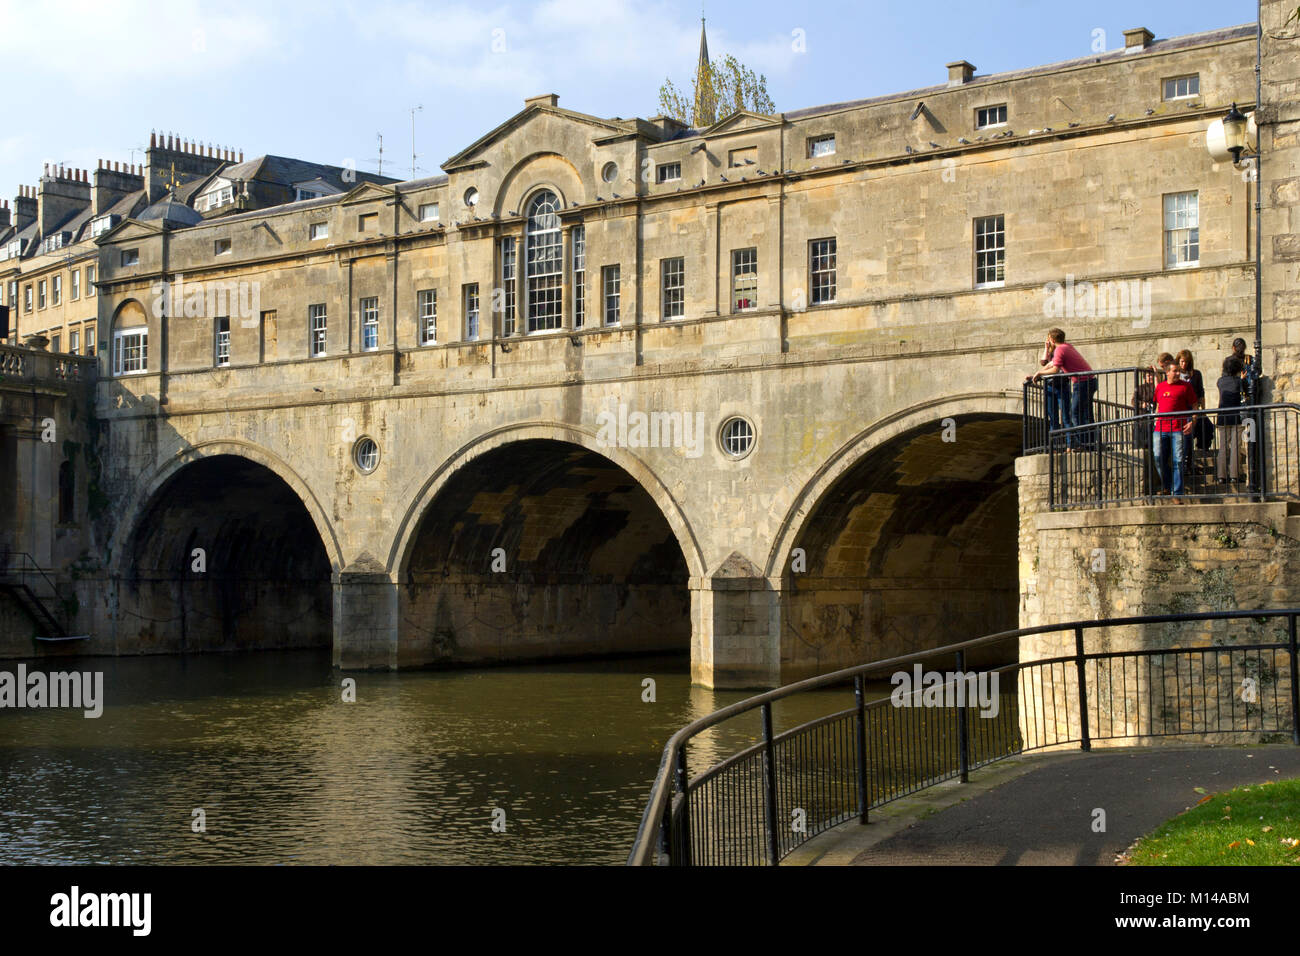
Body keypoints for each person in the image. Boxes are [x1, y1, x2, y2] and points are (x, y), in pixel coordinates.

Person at [1027, 329, 1093, 449]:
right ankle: (1071, 445)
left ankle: (1080, 444)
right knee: (1067, 416)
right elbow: (1048, 364)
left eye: (1048, 339)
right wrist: (1037, 374)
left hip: (1077, 383)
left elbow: (1055, 369)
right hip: (1082, 381)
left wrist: (1040, 373)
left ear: (1051, 339)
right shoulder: (1065, 347)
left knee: (1073, 415)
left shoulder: (1060, 349)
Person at [1152, 360, 1197, 500]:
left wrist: (1192, 422)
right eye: (1175, 371)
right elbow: (1158, 405)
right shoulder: (1160, 387)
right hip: (1160, 428)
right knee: (1158, 458)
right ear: (1167, 372)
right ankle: (1167, 485)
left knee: (1178, 460)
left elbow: (1195, 406)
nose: (1178, 373)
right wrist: (1155, 419)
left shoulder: (1186, 387)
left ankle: (1176, 493)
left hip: (1179, 428)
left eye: (1178, 371)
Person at [1216, 355, 1247, 486]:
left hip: (1222, 416)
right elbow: (1244, 392)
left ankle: (1221, 476)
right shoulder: (1238, 381)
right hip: (1236, 416)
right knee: (1235, 447)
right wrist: (1243, 379)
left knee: (1223, 448)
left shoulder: (1220, 381)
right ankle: (1234, 475)